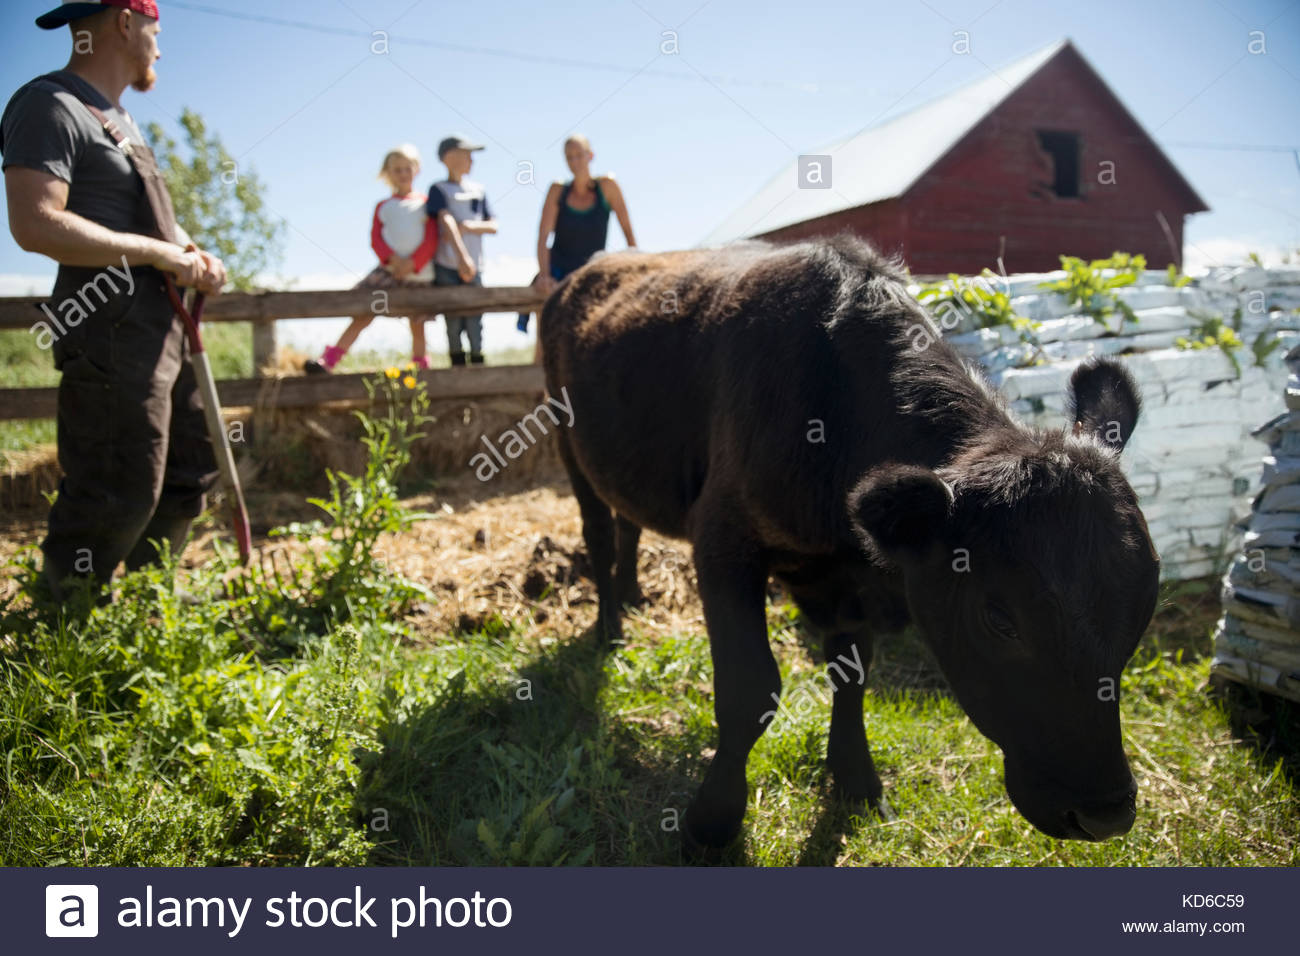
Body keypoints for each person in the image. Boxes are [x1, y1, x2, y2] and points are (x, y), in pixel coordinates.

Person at [2, 0, 228, 603]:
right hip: (105, 329)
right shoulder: (50, 105)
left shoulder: (122, 120)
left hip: (163, 328)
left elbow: (155, 227)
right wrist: (157, 255)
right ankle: (65, 621)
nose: (160, 46)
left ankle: (150, 606)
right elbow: (36, 224)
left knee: (187, 472)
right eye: (156, 31)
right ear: (126, 23)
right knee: (117, 485)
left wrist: (193, 254)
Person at [304, 145, 470, 374]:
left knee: (417, 323)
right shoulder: (383, 206)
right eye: (397, 170)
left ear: (417, 170)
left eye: (407, 169)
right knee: (363, 312)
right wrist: (392, 262)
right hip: (388, 272)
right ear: (388, 173)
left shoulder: (425, 205)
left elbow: (432, 238)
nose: (402, 174)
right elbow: (376, 239)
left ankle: (420, 370)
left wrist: (413, 263)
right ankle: (329, 361)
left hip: (419, 274)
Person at [526, 134, 636, 360]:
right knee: (547, 334)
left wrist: (636, 266)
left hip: (592, 271)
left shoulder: (607, 187)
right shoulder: (558, 190)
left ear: (590, 156)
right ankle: (538, 391)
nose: (575, 162)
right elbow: (543, 236)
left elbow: (627, 231)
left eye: (579, 155)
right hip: (559, 270)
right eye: (569, 157)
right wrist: (545, 275)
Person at [425, 135, 495, 366]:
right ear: (449, 157)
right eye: (466, 154)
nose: (471, 160)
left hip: (476, 265)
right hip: (448, 265)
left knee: (475, 318)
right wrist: (462, 257)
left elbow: (493, 224)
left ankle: (478, 367)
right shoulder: (439, 189)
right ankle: (457, 370)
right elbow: (445, 220)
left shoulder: (479, 190)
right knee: (453, 320)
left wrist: (468, 227)